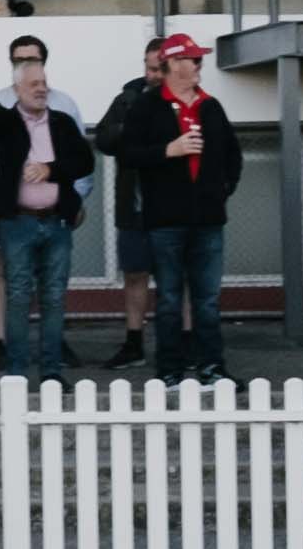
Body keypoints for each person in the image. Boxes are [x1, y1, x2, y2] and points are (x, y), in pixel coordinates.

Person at [101, 33, 245, 384]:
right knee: (168, 299)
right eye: (192, 59)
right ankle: (170, 371)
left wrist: (217, 194)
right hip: (165, 222)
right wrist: (169, 150)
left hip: (208, 222)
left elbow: (233, 157)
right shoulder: (147, 106)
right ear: (173, 65)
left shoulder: (211, 106)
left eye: (198, 60)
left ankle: (212, 367)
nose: (198, 65)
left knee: (207, 301)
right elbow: (129, 153)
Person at [0, 52, 94, 382]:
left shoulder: (62, 122)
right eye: (33, 84)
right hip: (18, 222)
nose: (41, 89)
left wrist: (50, 170)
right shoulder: (9, 124)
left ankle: (52, 372)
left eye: (44, 83)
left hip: (57, 222)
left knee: (54, 297)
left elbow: (85, 162)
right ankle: (16, 372)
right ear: (17, 90)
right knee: (17, 296)